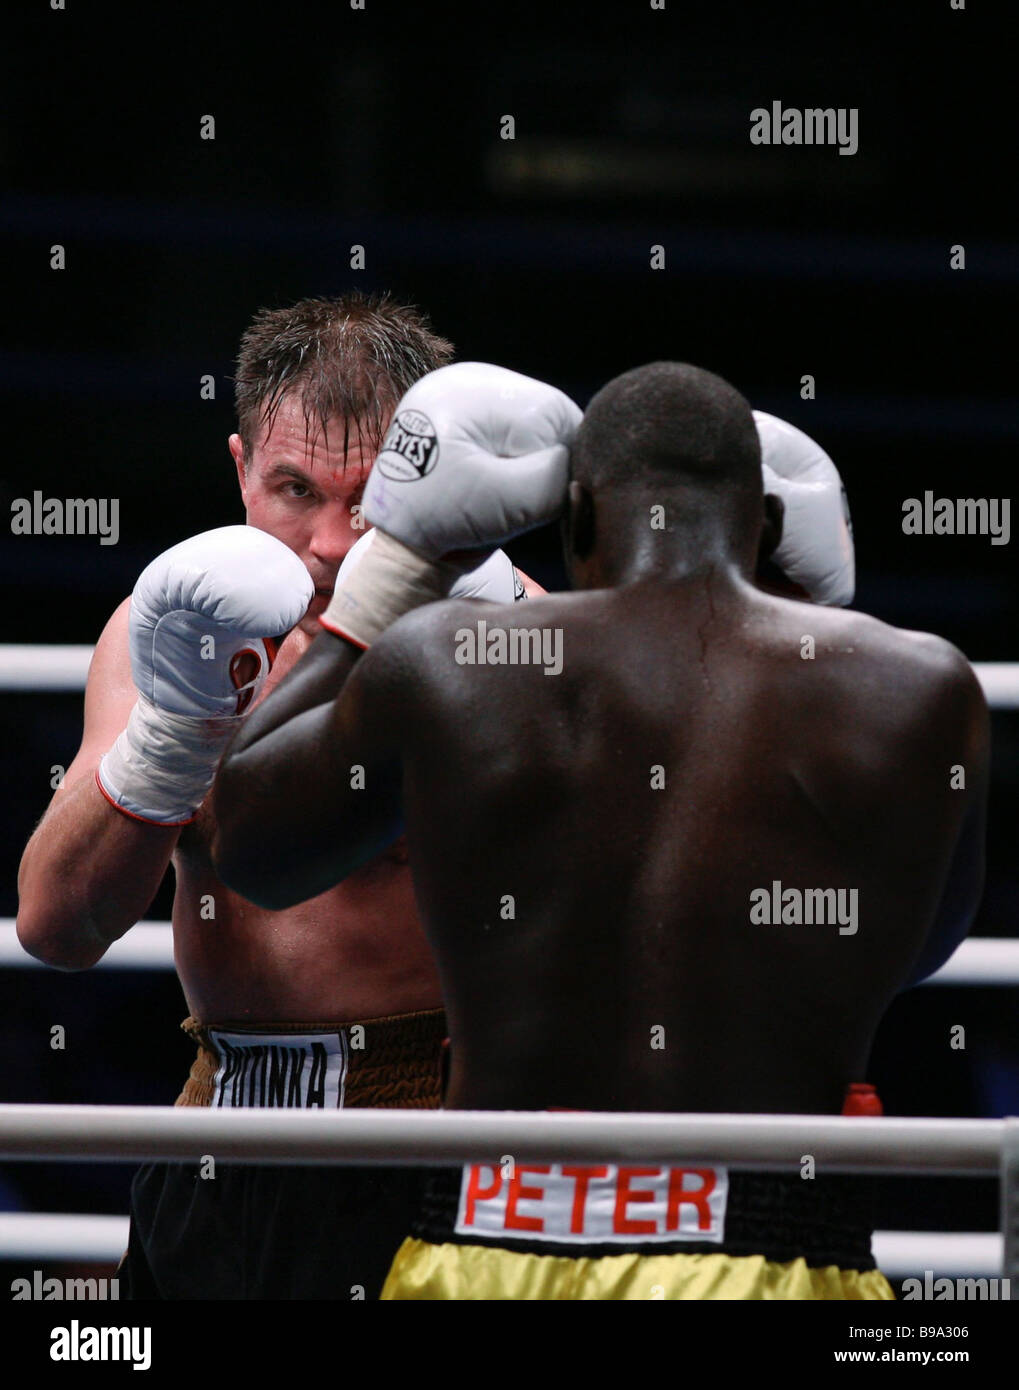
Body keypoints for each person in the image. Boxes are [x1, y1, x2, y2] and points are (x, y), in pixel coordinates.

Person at [211, 360, 988, 1300]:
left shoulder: (452, 663)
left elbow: (250, 844)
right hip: (777, 1246)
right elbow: (915, 947)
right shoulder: (921, 689)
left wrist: (396, 577)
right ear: (774, 527)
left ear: (573, 518)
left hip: (491, 1241)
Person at [15, 292, 535, 1300]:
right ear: (239, 468)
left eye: (371, 494)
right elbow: (56, 925)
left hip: (442, 1140)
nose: (333, 542)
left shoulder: (519, 638)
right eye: (294, 487)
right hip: (226, 1134)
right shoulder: (164, 635)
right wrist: (174, 732)